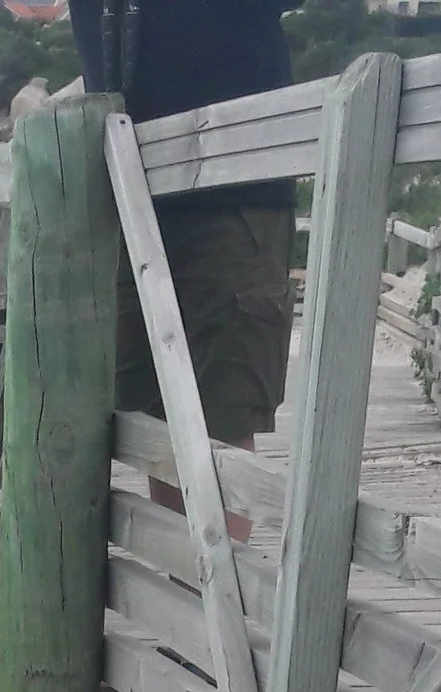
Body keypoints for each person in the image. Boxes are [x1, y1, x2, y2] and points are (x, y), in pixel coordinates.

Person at [65, 0, 297, 447]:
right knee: (152, 426)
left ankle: (207, 521)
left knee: (219, 424)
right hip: (127, 190)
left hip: (232, 184)